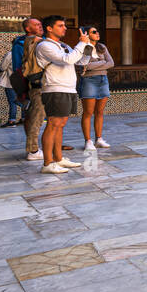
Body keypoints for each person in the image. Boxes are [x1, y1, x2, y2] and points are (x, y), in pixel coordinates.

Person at [32, 15, 92, 175]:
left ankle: (58, 158)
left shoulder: (63, 45)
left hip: (68, 88)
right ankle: (47, 163)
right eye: (60, 25)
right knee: (53, 124)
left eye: (64, 25)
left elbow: (80, 61)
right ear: (49, 28)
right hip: (55, 88)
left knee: (60, 124)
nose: (65, 28)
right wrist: (81, 44)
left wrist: (87, 46)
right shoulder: (45, 46)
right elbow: (67, 60)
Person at [75, 25, 114, 149]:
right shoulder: (85, 47)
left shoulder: (102, 47)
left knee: (100, 112)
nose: (97, 33)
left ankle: (99, 139)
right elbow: (85, 66)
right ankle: (88, 141)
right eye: (94, 32)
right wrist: (103, 63)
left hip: (103, 80)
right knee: (88, 112)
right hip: (89, 80)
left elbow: (111, 63)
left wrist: (95, 64)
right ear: (87, 34)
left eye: (97, 31)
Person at [13, 17, 46, 161]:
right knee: (31, 116)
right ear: (28, 28)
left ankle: (46, 144)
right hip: (32, 84)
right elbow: (19, 67)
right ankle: (33, 148)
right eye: (36, 24)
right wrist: (23, 88)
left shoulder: (44, 41)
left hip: (47, 84)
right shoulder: (20, 44)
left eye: (40, 24)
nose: (40, 26)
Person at [0, 50, 20, 127]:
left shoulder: (11, 54)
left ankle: (11, 121)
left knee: (13, 101)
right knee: (21, 100)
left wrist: (1, 70)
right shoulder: (25, 53)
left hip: (11, 82)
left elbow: (3, 67)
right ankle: (24, 118)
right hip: (21, 82)